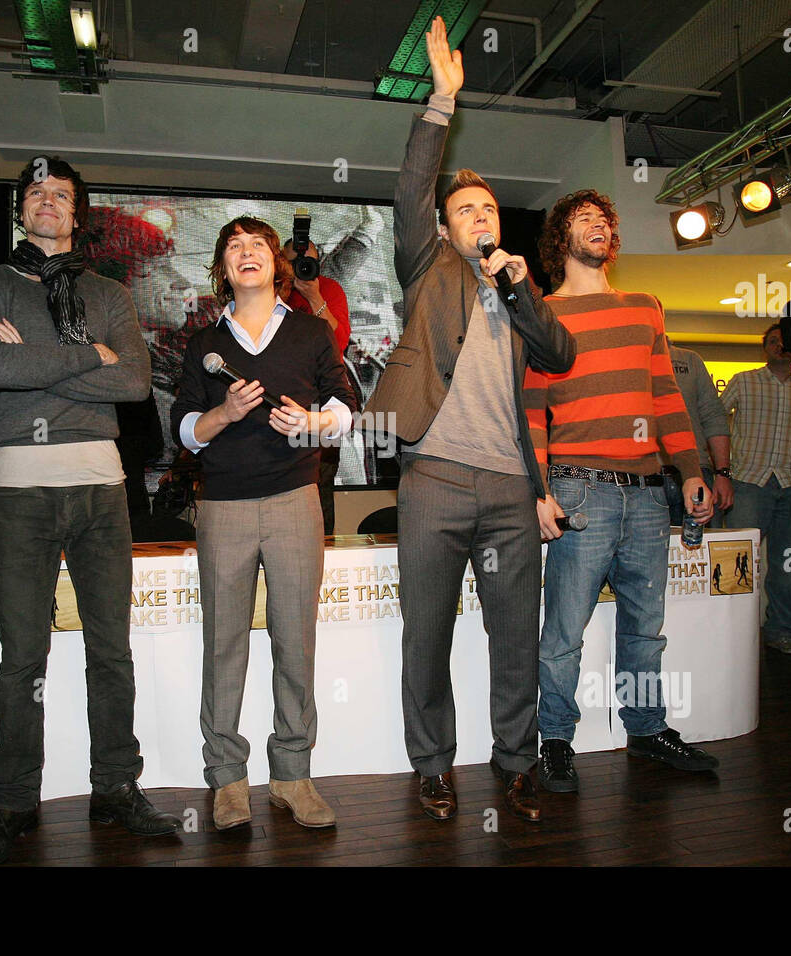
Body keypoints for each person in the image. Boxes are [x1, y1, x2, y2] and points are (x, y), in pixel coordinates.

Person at [363, 17, 575, 824]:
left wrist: (520, 286)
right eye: (467, 209)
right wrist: (440, 105)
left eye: (489, 207)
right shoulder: (429, 267)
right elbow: (410, 190)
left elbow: (559, 353)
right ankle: (433, 765)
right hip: (437, 481)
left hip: (511, 490)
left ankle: (517, 764)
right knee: (428, 639)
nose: (481, 216)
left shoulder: (517, 288)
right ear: (447, 227)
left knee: (514, 639)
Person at [0, 155, 179, 867]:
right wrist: (90, 353)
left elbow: (135, 381)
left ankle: (116, 785)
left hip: (101, 488)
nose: (47, 202)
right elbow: (0, 371)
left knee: (110, 651)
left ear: (76, 212)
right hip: (21, 492)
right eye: (35, 193)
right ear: (22, 210)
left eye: (60, 194)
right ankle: (14, 801)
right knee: (23, 657)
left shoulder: (110, 290)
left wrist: (49, 355)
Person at [524, 187, 719, 791]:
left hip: (647, 492)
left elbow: (666, 396)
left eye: (604, 219)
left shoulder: (644, 307)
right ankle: (555, 740)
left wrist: (691, 471)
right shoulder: (541, 313)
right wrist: (537, 489)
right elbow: (530, 409)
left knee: (645, 629)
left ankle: (646, 728)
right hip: (579, 490)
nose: (597, 226)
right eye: (582, 219)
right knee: (563, 633)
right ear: (563, 240)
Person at [173, 216, 356, 831]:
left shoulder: (308, 332)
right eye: (234, 247)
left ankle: (292, 776)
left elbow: (344, 405)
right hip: (221, 506)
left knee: (294, 641)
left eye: (257, 246)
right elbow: (183, 430)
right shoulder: (203, 344)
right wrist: (222, 412)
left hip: (294, 499)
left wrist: (312, 422)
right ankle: (227, 781)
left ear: (275, 262)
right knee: (223, 643)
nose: (246, 254)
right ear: (223, 268)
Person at [720, 324, 791, 654]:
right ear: (765, 348)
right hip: (748, 483)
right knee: (739, 563)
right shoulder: (744, 380)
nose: (779, 345)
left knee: (788, 565)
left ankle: (783, 630)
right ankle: (732, 634)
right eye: (773, 341)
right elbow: (716, 420)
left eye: (784, 341)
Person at [283, 236, 352, 534]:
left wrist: (314, 298)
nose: (301, 266)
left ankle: (322, 552)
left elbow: (339, 342)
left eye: (307, 261)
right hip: (282, 398)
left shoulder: (329, 289)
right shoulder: (272, 292)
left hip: (321, 403)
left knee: (319, 484)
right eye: (293, 261)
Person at [663, 339, 733, 524]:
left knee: (700, 550)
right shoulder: (629, 358)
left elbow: (714, 417)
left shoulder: (689, 360)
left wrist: (723, 474)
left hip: (696, 471)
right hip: (645, 478)